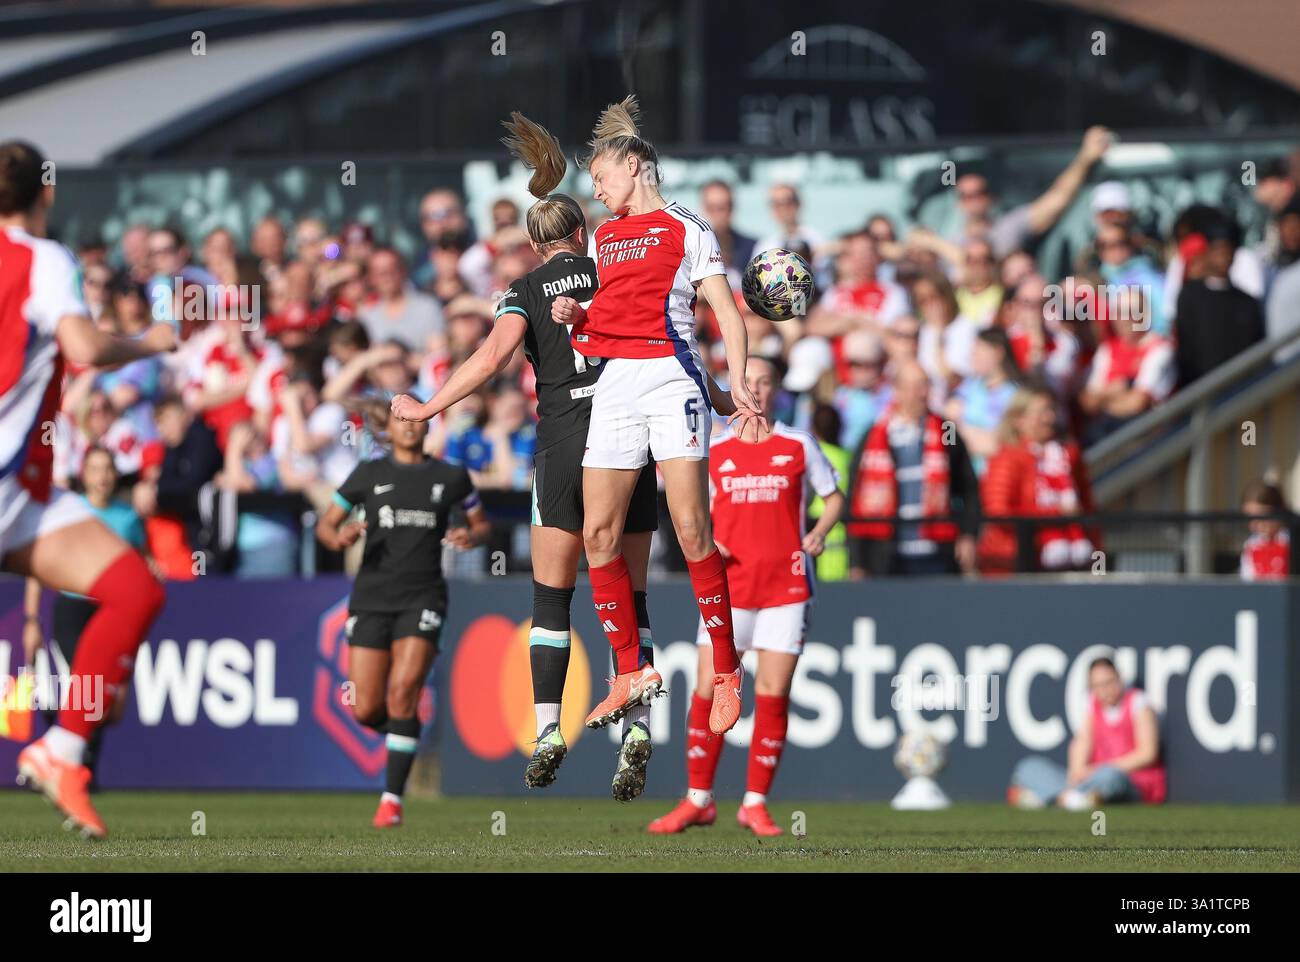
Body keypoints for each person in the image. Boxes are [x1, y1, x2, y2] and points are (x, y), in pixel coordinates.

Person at [393, 111, 735, 798]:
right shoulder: (617, 261)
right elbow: (668, 329)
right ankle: (636, 725)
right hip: (632, 427)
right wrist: (721, 393)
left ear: (532, 243)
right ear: (581, 232)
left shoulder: (523, 290)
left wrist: (429, 408)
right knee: (634, 591)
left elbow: (491, 358)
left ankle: (549, 729)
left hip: (565, 445)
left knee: (553, 598)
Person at [550, 95, 763, 753]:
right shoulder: (607, 236)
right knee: (598, 534)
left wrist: (736, 382)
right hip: (616, 382)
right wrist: (576, 314)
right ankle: (631, 671)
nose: (598, 193)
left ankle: (726, 667)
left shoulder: (687, 226)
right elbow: (613, 308)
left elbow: (727, 313)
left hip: (673, 377)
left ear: (633, 167)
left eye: (601, 180)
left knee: (693, 525)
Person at [1, 140, 172, 838]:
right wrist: (151, 342)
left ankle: (62, 752)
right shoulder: (41, 259)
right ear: (45, 195)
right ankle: (63, 749)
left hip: (24, 496)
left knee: (134, 587)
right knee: (137, 593)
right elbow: (83, 348)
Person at [648, 357, 843, 836]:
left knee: (773, 695)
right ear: (735, 388)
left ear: (777, 389)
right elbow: (683, 506)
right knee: (709, 691)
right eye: (747, 380)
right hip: (727, 590)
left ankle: (754, 803)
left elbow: (833, 497)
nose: (754, 388)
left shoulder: (798, 444)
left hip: (786, 588)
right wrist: (708, 536)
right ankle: (698, 799)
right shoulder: (713, 448)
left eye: (764, 381)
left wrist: (818, 532)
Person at [316, 405, 489, 828]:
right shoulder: (368, 474)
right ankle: (405, 733)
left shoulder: (450, 477)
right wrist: (339, 537)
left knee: (404, 688)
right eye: (401, 419)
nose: (410, 426)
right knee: (366, 709)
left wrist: (472, 534)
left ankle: (391, 800)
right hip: (372, 598)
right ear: (388, 429)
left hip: (424, 597)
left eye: (417, 418)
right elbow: (326, 524)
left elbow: (482, 523)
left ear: (428, 424)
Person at [24, 447, 153, 784]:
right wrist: (31, 618)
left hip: (108, 609)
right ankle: (62, 761)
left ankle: (80, 767)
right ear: (84, 473)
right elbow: (39, 566)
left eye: (108, 468)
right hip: (73, 606)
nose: (102, 476)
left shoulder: (128, 518)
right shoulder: (70, 511)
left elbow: (140, 567)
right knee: (80, 687)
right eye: (95, 468)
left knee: (102, 695)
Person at [846, 361, 979, 577]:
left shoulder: (946, 430)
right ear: (897, 391)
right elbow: (854, 497)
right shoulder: (874, 435)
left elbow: (967, 486)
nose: (923, 393)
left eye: (926, 385)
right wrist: (857, 561)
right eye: (915, 386)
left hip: (937, 551)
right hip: (887, 553)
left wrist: (968, 535)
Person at [1008, 657, 1166, 809]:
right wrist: (1076, 772)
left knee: (1111, 776)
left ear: (1119, 678)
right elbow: (1082, 741)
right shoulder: (1092, 705)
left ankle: (1052, 797)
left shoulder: (1139, 703)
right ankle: (1072, 799)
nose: (1105, 690)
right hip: (1092, 780)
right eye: (1097, 686)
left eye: (1109, 682)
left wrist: (1097, 770)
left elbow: (1147, 754)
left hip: (1130, 781)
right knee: (1028, 767)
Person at [979, 385, 1095, 573]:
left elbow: (1087, 506)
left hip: (1072, 560)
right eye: (1041, 412)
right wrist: (1055, 513)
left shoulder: (1069, 454)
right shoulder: (1006, 458)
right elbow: (998, 512)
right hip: (1015, 564)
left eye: (1051, 410)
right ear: (1019, 419)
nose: (1050, 418)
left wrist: (1097, 562)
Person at [1239, 479, 1290, 581]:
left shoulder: (1292, 541)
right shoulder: (1252, 545)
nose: (1254, 524)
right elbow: (1247, 581)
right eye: (1249, 518)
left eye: (1261, 516)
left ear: (1278, 511)